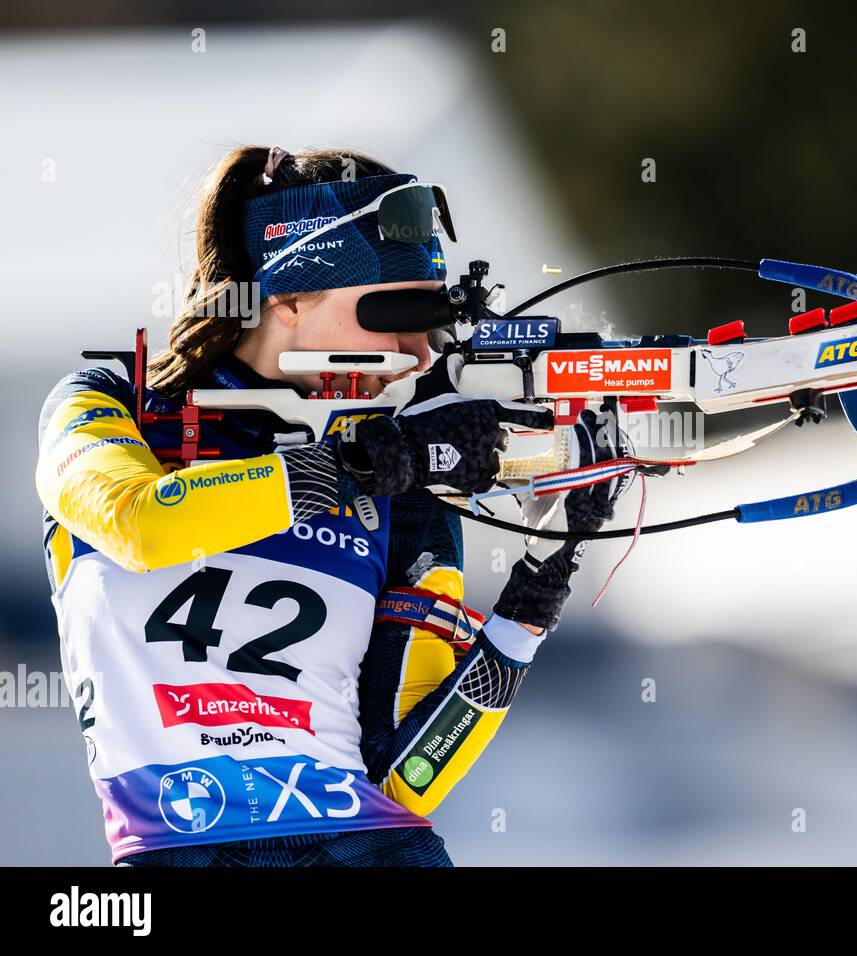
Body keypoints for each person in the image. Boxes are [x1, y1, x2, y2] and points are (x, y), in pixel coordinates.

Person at [34, 145, 627, 866]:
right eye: (396, 313)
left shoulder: (401, 468)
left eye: (432, 323)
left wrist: (539, 586)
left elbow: (405, 779)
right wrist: (358, 467)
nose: (416, 352)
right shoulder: (109, 405)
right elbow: (141, 523)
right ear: (286, 299)